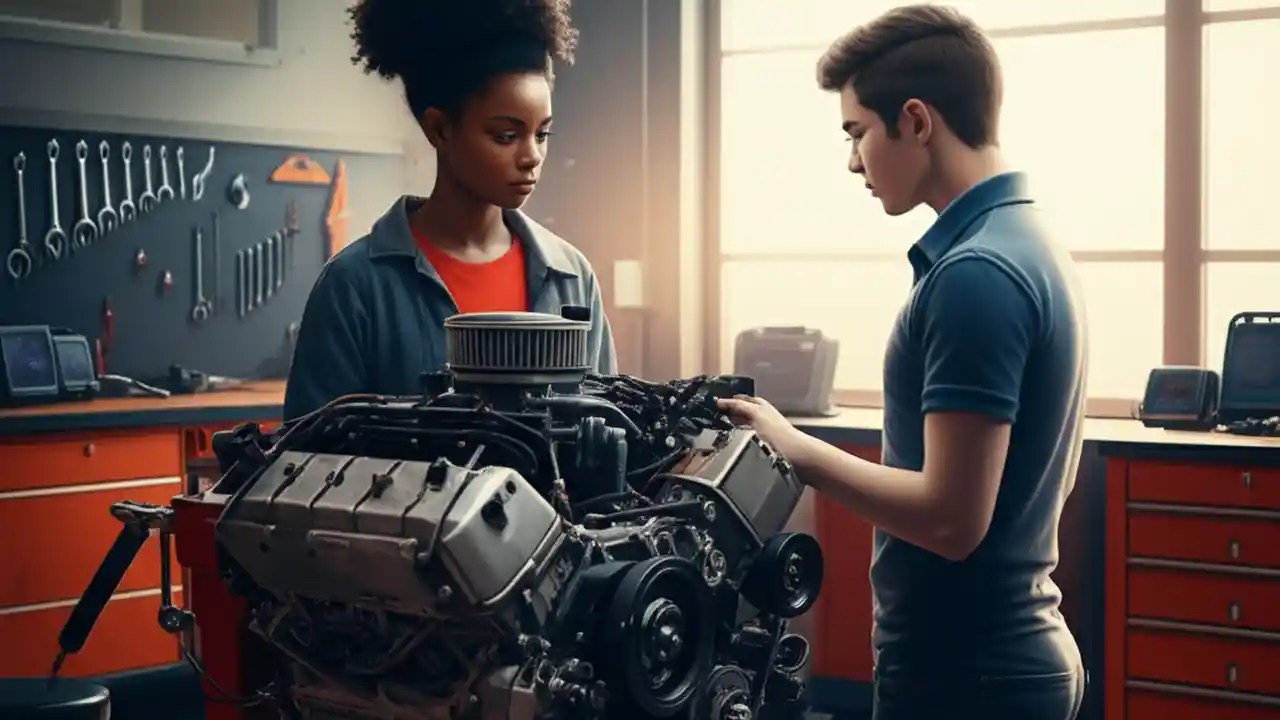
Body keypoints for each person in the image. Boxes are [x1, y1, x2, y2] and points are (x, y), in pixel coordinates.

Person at [717, 5, 1088, 719]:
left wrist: (796, 450)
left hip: (967, 673)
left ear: (916, 121)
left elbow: (952, 520)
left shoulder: (979, 273)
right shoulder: (1022, 240)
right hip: (995, 664)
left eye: (857, 132)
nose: (853, 160)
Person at [284, 0, 616, 421]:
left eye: (542, 133)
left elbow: (609, 436)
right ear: (439, 129)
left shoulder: (573, 278)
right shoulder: (354, 288)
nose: (532, 156)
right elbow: (306, 463)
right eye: (506, 135)